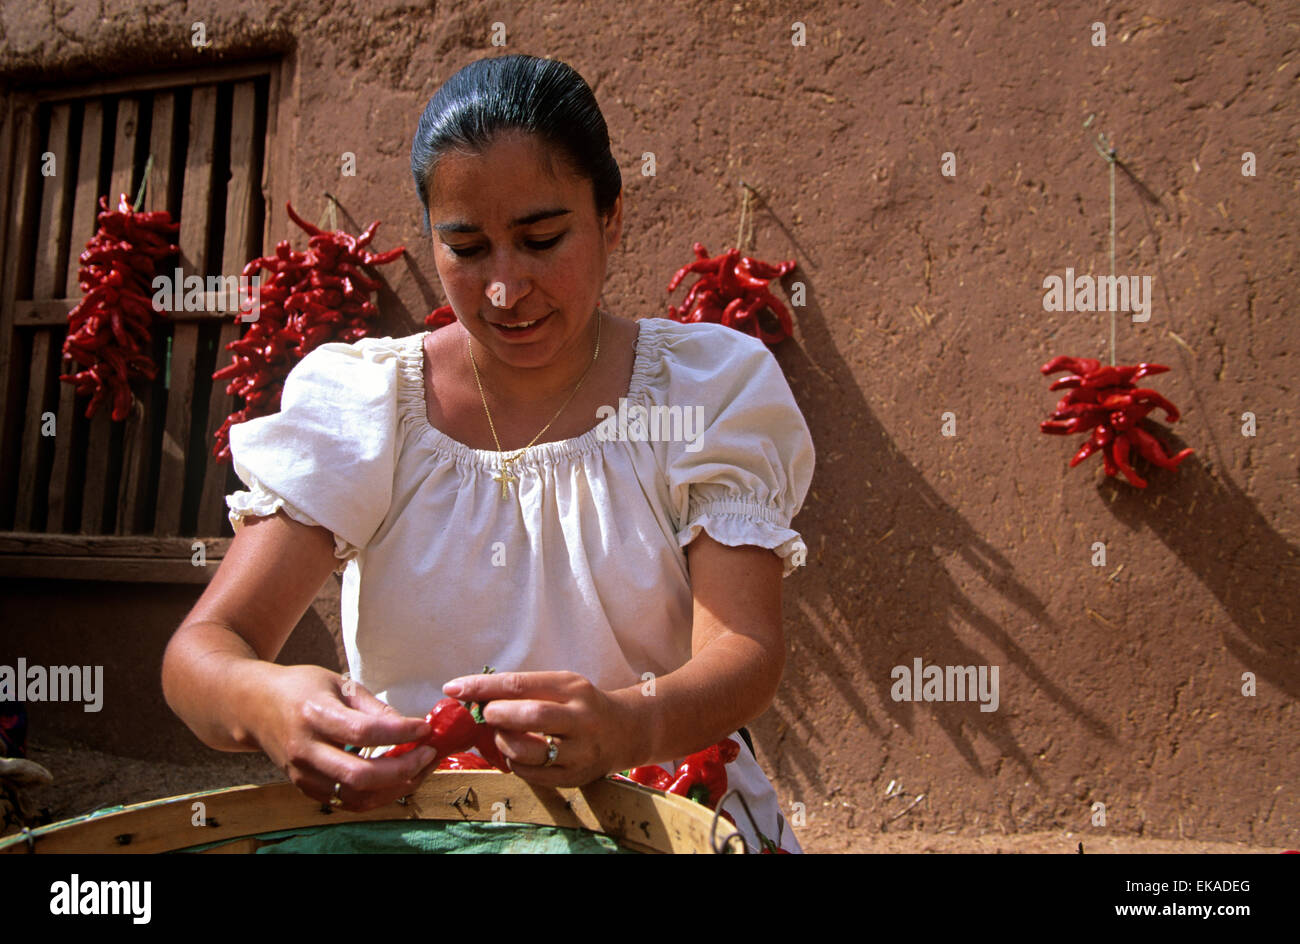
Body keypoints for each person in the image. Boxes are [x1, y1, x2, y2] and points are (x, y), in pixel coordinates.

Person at [161, 53, 814, 853]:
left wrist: (634, 721)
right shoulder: (371, 407)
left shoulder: (703, 391)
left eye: (542, 239)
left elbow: (745, 651)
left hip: (658, 803)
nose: (504, 288)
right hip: (415, 821)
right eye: (467, 250)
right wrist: (267, 702)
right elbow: (202, 653)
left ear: (611, 220)